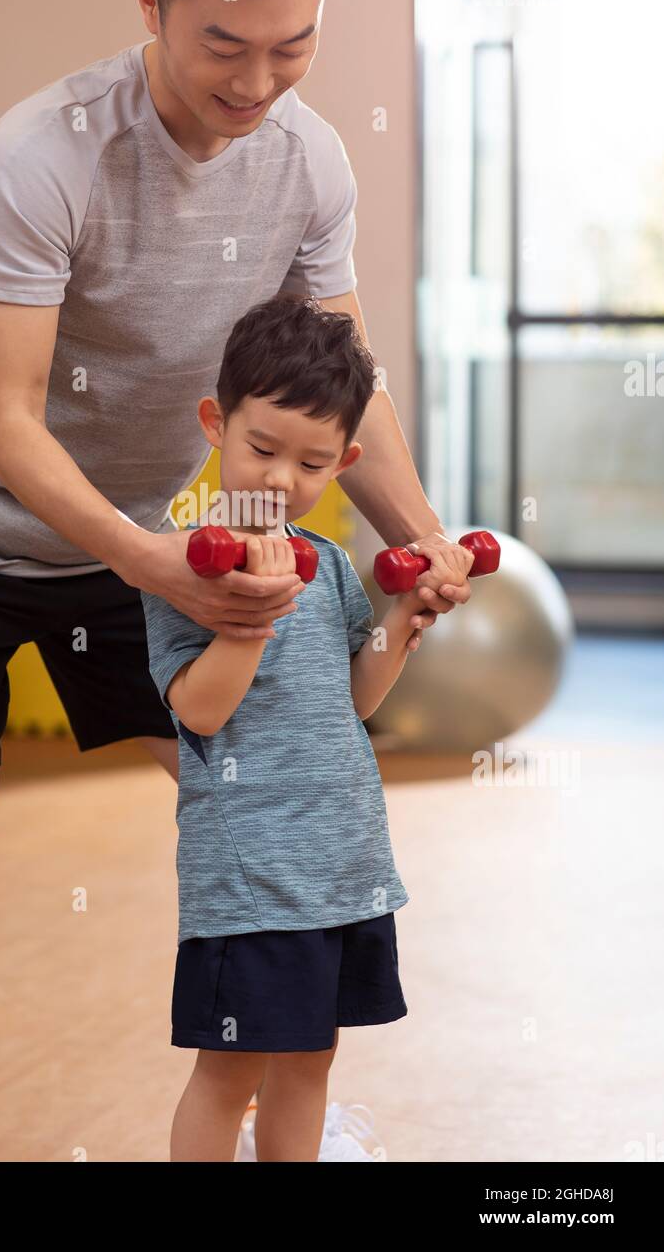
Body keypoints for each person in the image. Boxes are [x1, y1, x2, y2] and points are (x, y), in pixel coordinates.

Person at [0, 0, 472, 1161]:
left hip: (132, 539)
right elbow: (12, 422)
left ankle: (289, 1090)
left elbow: (339, 391)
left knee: (261, 772)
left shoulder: (308, 164)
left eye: (291, 48)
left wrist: (420, 542)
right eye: (222, 48)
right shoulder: (42, 153)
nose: (254, 84)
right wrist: (162, 569)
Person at [141, 295, 471, 1162]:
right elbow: (201, 710)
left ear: (346, 462)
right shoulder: (184, 564)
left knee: (311, 1058)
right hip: (253, 880)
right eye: (261, 449)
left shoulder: (322, 565)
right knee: (230, 1071)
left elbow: (353, 700)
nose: (282, 478)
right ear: (217, 424)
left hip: (341, 866)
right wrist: (251, 614)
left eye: (313, 462)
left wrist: (398, 624)